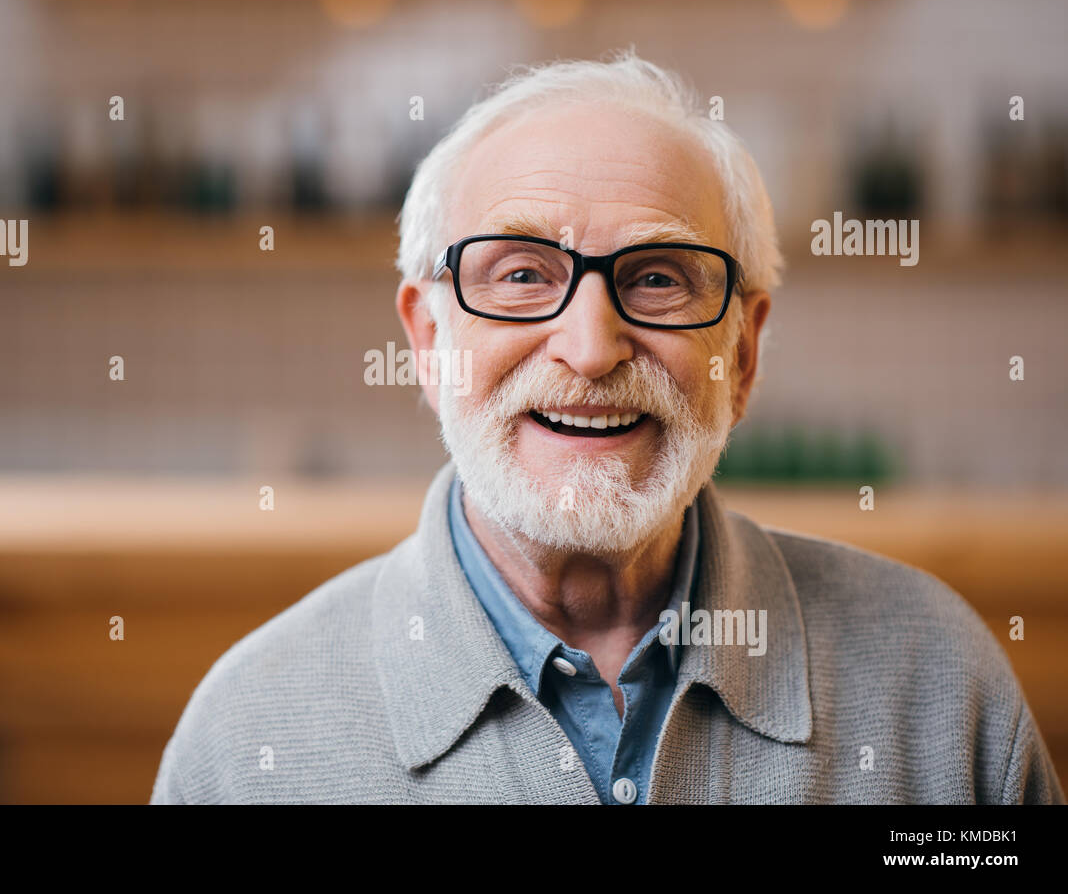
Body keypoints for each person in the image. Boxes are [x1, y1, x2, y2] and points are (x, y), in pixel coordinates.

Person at [151, 47, 1063, 804]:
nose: (590, 350)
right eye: (519, 275)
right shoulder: (250, 736)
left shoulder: (938, 690)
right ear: (428, 345)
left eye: (658, 277)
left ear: (742, 354)